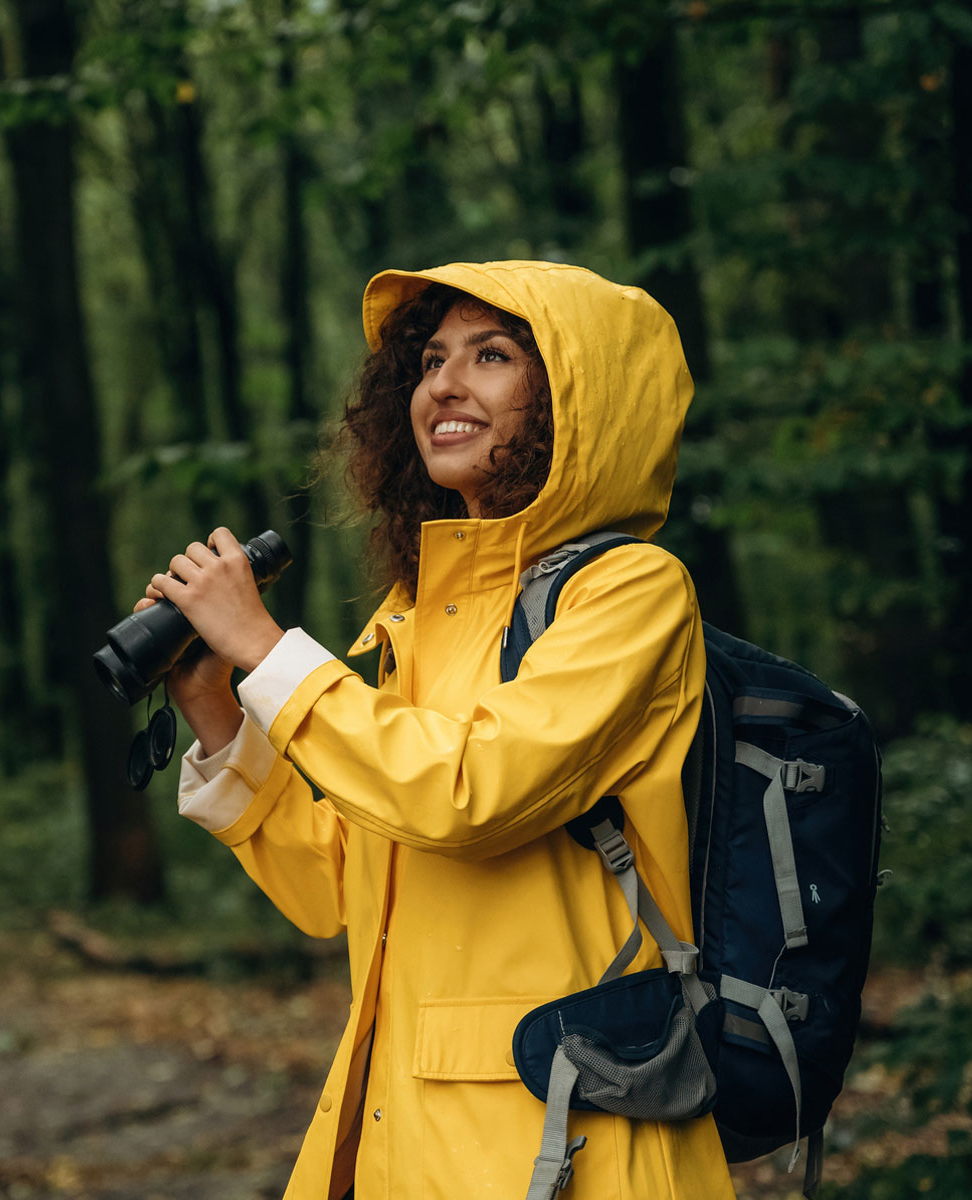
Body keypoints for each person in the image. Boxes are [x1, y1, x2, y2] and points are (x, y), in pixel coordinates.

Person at [132, 262, 732, 1200]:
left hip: (569, 1140)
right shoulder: (419, 616)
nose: (443, 385)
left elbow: (466, 794)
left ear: (582, 399)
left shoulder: (631, 591)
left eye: (492, 356)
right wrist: (216, 704)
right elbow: (340, 885)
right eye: (432, 359)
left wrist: (264, 644)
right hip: (397, 1136)